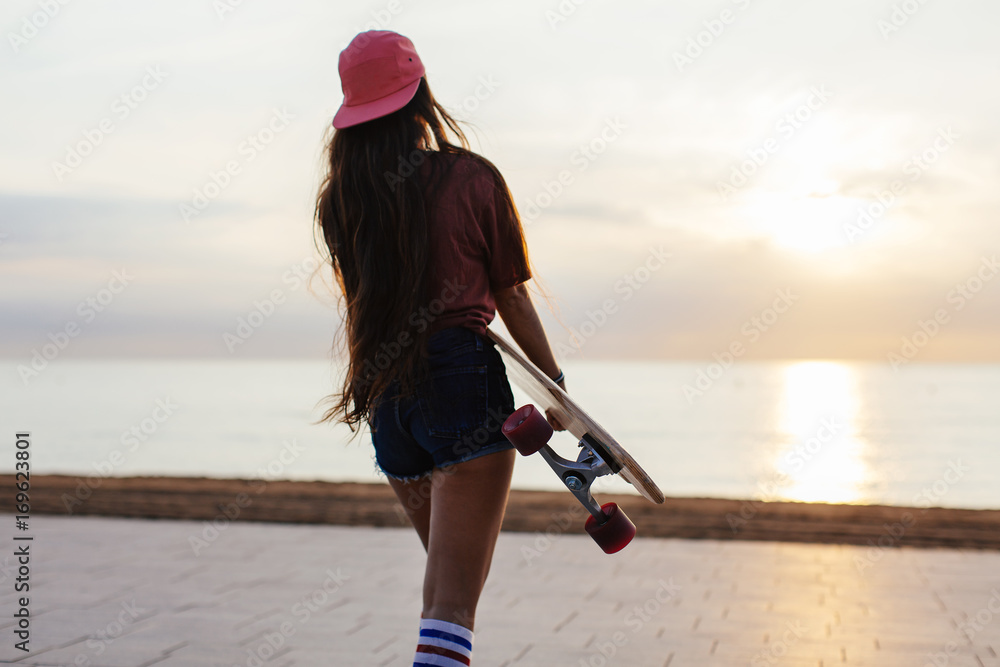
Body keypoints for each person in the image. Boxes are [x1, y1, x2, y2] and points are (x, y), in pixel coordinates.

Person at [315, 30, 566, 666]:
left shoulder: (341, 200)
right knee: (452, 608)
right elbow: (511, 296)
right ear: (419, 92)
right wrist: (557, 390)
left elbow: (360, 310)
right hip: (461, 382)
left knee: (442, 598)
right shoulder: (470, 177)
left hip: (387, 400)